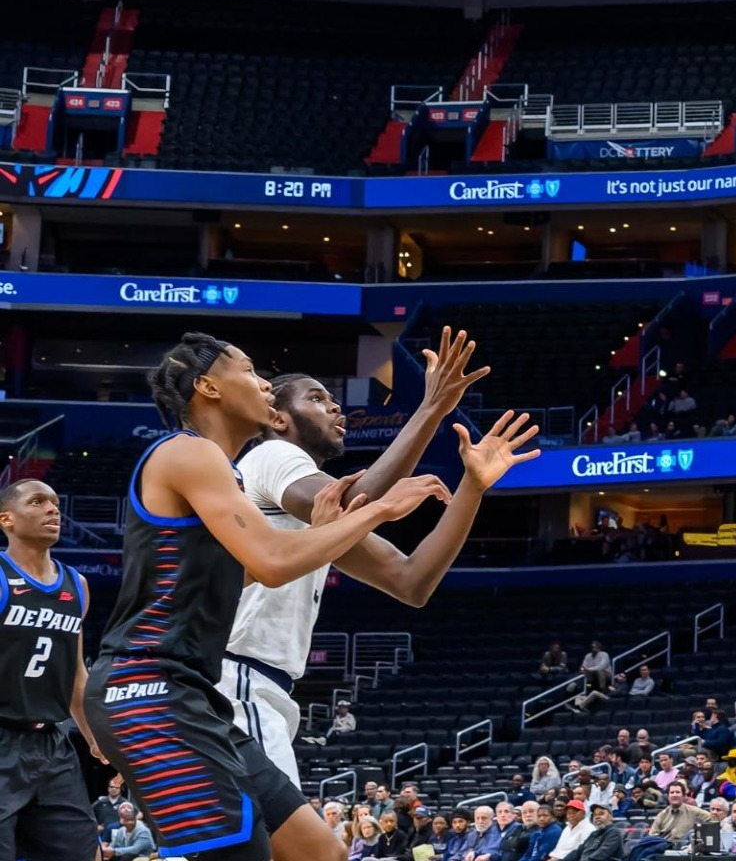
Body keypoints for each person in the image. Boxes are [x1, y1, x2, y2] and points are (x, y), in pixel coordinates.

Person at [80, 334, 462, 861]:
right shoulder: (191, 452)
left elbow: (242, 575)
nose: (263, 382)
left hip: (194, 693)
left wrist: (319, 535)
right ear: (208, 386)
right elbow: (274, 562)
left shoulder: (228, 474)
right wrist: (374, 512)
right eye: (250, 370)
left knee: (319, 852)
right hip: (151, 690)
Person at [219, 328, 517, 789]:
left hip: (260, 686)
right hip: (237, 678)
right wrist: (432, 407)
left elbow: (410, 581)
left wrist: (472, 487)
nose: (335, 406)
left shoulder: (317, 516)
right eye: (317, 399)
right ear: (278, 419)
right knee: (300, 846)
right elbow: (356, 501)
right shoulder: (272, 455)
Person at [0, 480, 106, 861]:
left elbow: (76, 672)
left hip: (51, 745)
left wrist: (98, 736)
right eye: (38, 501)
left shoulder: (76, 584)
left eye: (56, 503)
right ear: (6, 519)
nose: (52, 510)